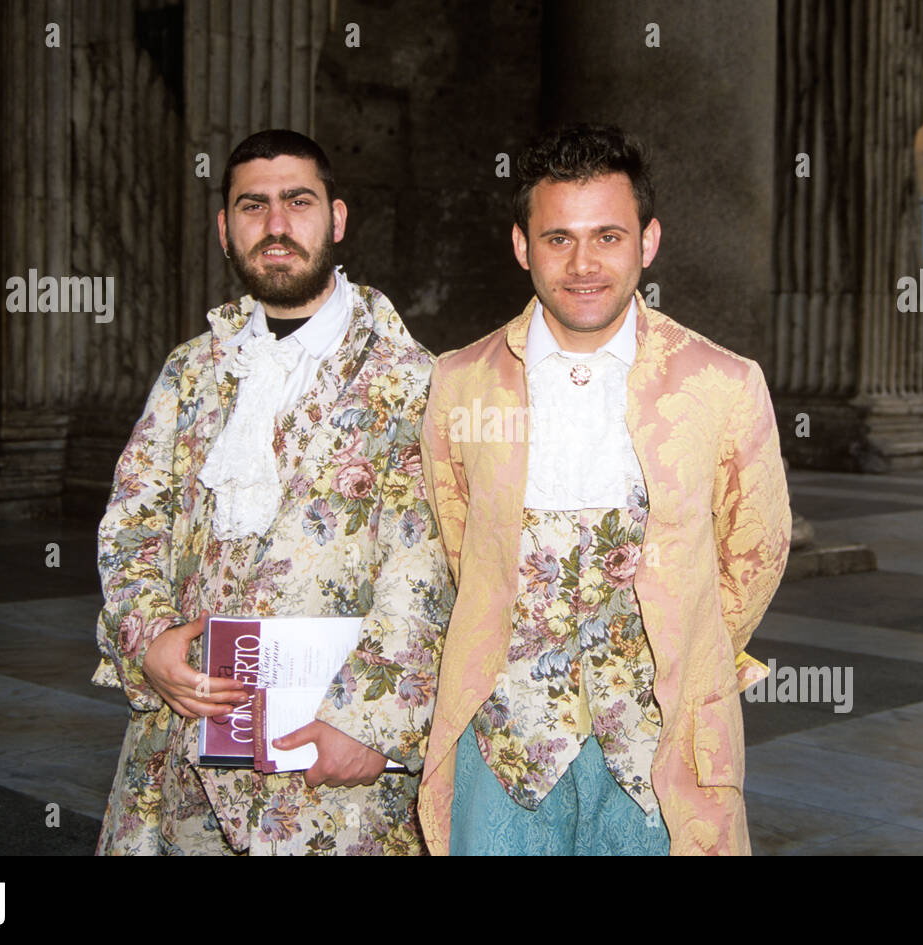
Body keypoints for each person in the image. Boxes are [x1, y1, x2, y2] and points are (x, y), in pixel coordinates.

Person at [418, 124, 791, 855]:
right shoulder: (459, 380)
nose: (583, 263)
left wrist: (680, 645)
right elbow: (459, 541)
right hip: (503, 740)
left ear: (647, 242)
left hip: (661, 746)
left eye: (608, 236)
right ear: (523, 246)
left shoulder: (725, 383)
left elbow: (756, 552)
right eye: (558, 239)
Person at [92, 129, 453, 855]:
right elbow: (132, 522)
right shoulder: (191, 370)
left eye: (298, 201)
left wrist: (372, 727)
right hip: (182, 749)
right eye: (253, 206)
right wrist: (151, 638)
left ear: (337, 218)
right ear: (225, 229)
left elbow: (425, 569)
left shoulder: (414, 380)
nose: (277, 225)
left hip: (328, 765)